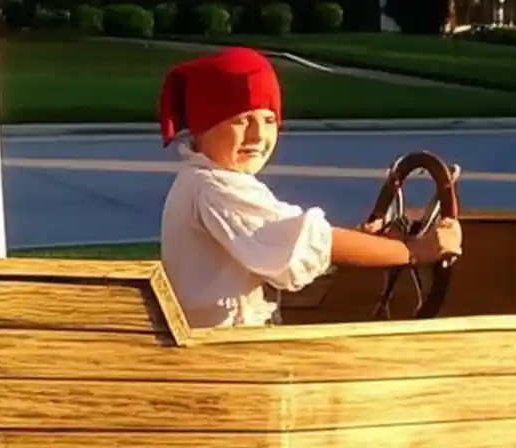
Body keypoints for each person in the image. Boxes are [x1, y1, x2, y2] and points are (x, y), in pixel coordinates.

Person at [157, 46, 463, 329]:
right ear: (202, 127)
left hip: (231, 349)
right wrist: (415, 250)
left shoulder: (207, 182)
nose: (257, 135)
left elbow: (295, 240)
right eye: (241, 120)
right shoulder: (216, 188)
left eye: (268, 120)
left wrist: (366, 241)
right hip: (227, 358)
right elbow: (311, 241)